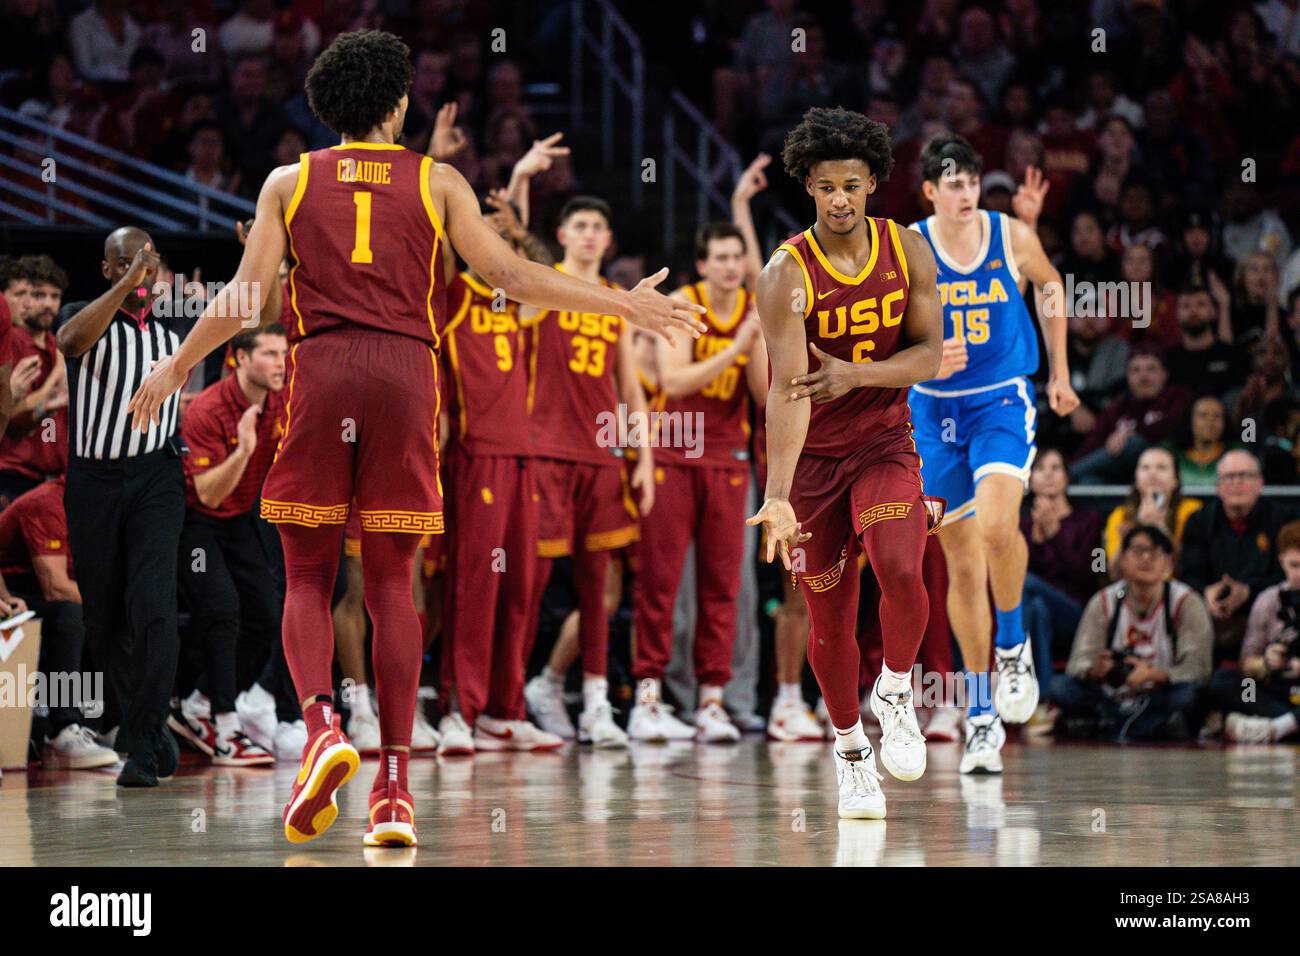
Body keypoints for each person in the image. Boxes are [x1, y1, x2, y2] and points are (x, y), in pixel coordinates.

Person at [127, 29, 705, 847]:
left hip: (322, 371)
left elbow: (245, 296)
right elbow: (506, 275)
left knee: (307, 574)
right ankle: (395, 787)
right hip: (405, 374)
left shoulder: (288, 181)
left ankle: (324, 727)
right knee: (394, 583)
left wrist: (177, 366)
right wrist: (622, 304)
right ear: (399, 105)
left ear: (325, 109)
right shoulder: (437, 182)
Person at [747, 106, 943, 819]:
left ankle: (895, 691)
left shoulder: (908, 250)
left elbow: (927, 355)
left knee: (900, 566)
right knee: (827, 621)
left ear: (872, 185)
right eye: (826, 186)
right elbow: (787, 392)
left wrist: (857, 375)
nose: (839, 199)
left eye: (851, 185)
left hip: (884, 442)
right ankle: (850, 747)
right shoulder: (784, 274)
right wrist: (777, 495)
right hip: (812, 466)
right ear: (807, 186)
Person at [907, 132, 1078, 773]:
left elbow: (1052, 287)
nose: (965, 193)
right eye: (952, 183)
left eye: (972, 182)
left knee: (1001, 526)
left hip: (1001, 397)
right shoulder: (909, 244)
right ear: (929, 191)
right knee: (961, 564)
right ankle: (981, 714)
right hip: (932, 410)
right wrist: (923, 354)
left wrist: (1059, 373)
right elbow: (883, 322)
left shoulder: (1008, 234)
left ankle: (1013, 645)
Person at [516, 195, 661, 751]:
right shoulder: (540, 288)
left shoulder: (616, 303)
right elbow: (510, 267)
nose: (590, 233)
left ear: (608, 239)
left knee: (601, 589)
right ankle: (508, 702)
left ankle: (595, 701)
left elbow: (630, 390)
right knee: (527, 586)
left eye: (599, 225)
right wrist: (525, 184)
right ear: (561, 233)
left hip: (603, 458)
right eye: (579, 224)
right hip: (546, 453)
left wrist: (643, 458)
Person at [630, 220, 768, 744]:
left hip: (728, 460)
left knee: (723, 586)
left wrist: (757, 342)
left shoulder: (751, 311)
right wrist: (735, 347)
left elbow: (758, 394)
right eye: (722, 258)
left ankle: (713, 699)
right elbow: (675, 379)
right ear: (704, 265)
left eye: (738, 257)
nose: (732, 266)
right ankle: (647, 698)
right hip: (674, 452)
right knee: (661, 583)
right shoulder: (681, 302)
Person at [56, 227, 185, 789]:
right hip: (93, 481)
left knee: (153, 606)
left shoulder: (178, 331)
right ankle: (151, 730)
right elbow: (67, 342)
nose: (141, 270)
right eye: (127, 262)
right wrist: (128, 284)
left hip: (156, 477)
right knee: (102, 619)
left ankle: (139, 740)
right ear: (108, 270)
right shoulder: (85, 316)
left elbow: (260, 321)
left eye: (149, 261)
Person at [170, 323, 292, 767]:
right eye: (270, 354)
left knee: (268, 615)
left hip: (241, 519)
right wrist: (243, 451)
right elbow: (208, 495)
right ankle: (225, 726)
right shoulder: (207, 410)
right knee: (222, 608)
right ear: (241, 359)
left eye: (284, 353)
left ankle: (200, 702)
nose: (281, 363)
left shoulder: (283, 399)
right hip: (195, 523)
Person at [1051, 525, 1212, 740]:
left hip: (1161, 694)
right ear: (1123, 560)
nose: (1146, 558)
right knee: (1059, 686)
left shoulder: (1186, 601)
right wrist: (1097, 671)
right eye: (1138, 551)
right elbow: (1077, 663)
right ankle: (1146, 727)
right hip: (1112, 695)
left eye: (1155, 553)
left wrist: (1156, 675)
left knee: (1189, 693)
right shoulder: (1104, 601)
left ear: (1168, 563)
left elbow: (1198, 668)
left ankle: (1111, 727)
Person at [0, 477, 117, 769]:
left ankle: (114, 723)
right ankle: (62, 729)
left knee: (121, 614)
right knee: (70, 613)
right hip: (27, 584)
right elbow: (56, 588)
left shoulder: (119, 506)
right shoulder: (47, 503)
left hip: (18, 593)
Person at [1180, 450, 1294, 660]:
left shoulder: (1285, 520)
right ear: (1218, 487)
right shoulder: (1198, 522)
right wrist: (1207, 593)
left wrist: (1248, 591)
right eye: (1229, 477)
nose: (1236, 482)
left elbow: (1291, 576)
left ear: (1260, 483)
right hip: (1212, 621)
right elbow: (1188, 576)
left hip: (1270, 621)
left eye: (1244, 476)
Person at [1020, 449, 1102, 711]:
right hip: (1035, 613)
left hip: (1076, 612)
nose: (1048, 475)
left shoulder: (1089, 521)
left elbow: (1090, 576)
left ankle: (1011, 673)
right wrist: (1035, 538)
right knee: (1036, 607)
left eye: (1056, 468)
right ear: (1030, 478)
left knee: (1025, 582)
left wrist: (1054, 534)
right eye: (1040, 468)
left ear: (1067, 477)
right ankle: (1042, 702)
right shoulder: (1021, 524)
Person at [1210, 518, 1300, 743]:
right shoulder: (1269, 600)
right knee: (1224, 682)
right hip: (1277, 691)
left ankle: (1275, 728)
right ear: (1281, 562)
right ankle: (1289, 724)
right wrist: (1267, 663)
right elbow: (1247, 662)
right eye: (1295, 565)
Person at [0, 255, 69, 506]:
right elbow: (14, 421)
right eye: (39, 295)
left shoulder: (57, 345)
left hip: (52, 479)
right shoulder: (12, 341)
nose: (47, 304)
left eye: (54, 296)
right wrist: (52, 384)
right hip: (13, 478)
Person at [1071, 349, 1192, 485]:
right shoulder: (1117, 408)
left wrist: (1129, 435)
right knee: (1088, 482)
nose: (1143, 376)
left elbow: (1170, 427)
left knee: (1133, 444)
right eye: (1136, 370)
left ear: (1164, 374)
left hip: (1165, 467)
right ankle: (1070, 474)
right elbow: (1090, 446)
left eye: (1151, 369)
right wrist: (1108, 443)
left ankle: (1068, 475)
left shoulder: (1177, 397)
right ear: (1127, 376)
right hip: (1122, 476)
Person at [1102, 446, 1202, 567]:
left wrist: (1160, 527)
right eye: (1145, 468)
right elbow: (1114, 574)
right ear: (1136, 479)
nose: (1152, 473)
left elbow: (1193, 566)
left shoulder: (1193, 511)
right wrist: (1125, 542)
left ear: (1176, 480)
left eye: (1161, 468)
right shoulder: (1120, 515)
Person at [1168, 395, 1234, 487]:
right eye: (1203, 415)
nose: (1210, 421)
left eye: (1217, 416)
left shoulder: (1236, 454)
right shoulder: (1171, 455)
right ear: (1190, 420)